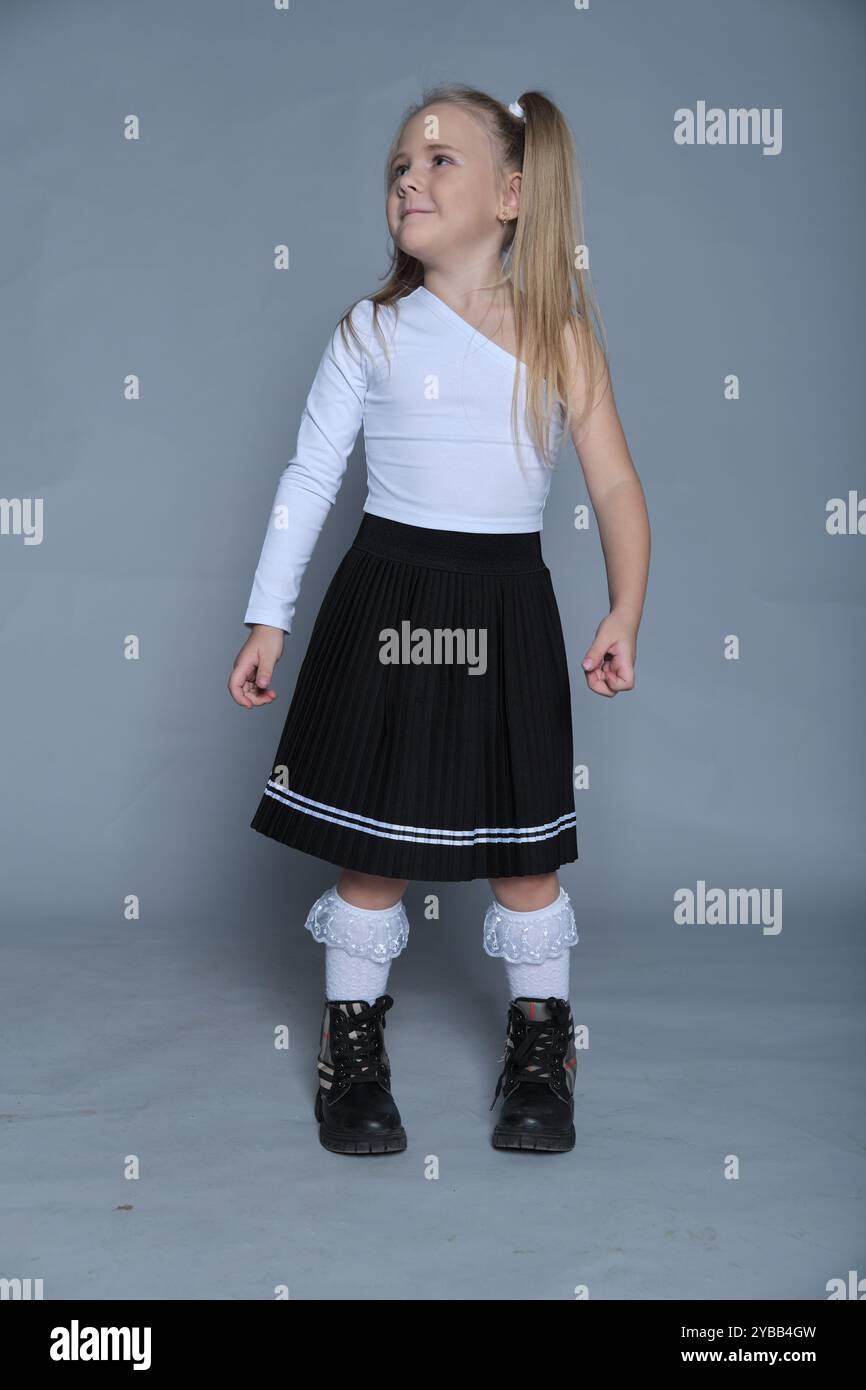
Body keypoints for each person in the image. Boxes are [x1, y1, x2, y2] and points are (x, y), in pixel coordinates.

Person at [228, 84, 650, 1157]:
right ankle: (352, 1042)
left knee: (524, 859)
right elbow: (307, 476)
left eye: (439, 162)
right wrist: (267, 617)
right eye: (398, 169)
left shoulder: (557, 333)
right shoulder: (372, 329)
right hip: (387, 599)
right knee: (374, 850)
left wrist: (624, 607)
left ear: (512, 194)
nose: (408, 179)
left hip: (504, 604)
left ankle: (540, 1042)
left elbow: (610, 486)